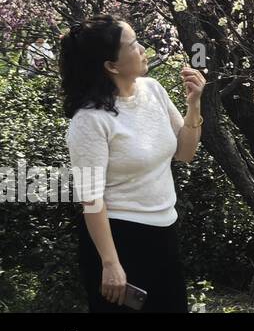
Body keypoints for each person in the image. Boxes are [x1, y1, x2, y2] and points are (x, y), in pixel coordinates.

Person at [61, 15, 206, 312]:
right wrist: (110, 263)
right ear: (111, 66)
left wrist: (194, 106)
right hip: (119, 240)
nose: (143, 49)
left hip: (164, 232)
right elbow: (91, 199)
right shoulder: (90, 121)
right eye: (134, 44)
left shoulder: (152, 89)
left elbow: (185, 153)